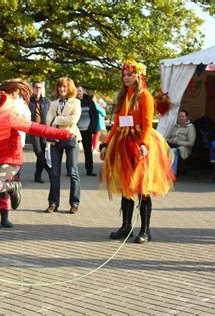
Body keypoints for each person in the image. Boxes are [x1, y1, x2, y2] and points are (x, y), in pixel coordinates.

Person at [0, 82, 72, 228]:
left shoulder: (9, 116)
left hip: (10, 161)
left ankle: (13, 187)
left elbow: (37, 128)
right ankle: (5, 197)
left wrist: (63, 134)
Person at [100, 60, 174, 244]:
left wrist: (143, 144)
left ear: (138, 76)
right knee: (126, 186)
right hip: (122, 142)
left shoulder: (145, 96)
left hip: (140, 143)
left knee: (142, 188)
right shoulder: (123, 95)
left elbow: (148, 123)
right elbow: (117, 123)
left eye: (129, 74)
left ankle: (145, 230)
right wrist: (106, 143)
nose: (126, 78)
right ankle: (126, 227)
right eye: (124, 75)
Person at [45, 77, 82, 214]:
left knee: (72, 171)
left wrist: (57, 119)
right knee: (54, 173)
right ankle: (53, 203)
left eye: (65, 87)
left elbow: (73, 120)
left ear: (70, 88)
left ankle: (74, 203)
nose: (62, 89)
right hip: (55, 139)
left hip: (71, 138)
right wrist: (56, 120)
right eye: (60, 87)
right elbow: (48, 120)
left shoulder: (76, 102)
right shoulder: (53, 103)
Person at [0, 79, 31, 181]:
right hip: (2, 140)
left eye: (16, 91)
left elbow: (27, 121)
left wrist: (17, 119)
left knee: (15, 167)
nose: (15, 93)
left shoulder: (22, 104)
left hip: (17, 140)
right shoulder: (1, 101)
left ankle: (14, 186)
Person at [28, 80, 51, 183]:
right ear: (33, 88)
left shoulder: (46, 101)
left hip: (44, 130)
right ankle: (50, 170)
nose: (38, 89)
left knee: (41, 152)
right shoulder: (28, 101)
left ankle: (38, 176)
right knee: (38, 152)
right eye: (36, 87)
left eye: (40, 87)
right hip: (33, 129)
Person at [166, 109, 196, 176]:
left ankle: (172, 174)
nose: (181, 118)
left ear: (186, 117)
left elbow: (191, 143)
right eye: (179, 116)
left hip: (184, 148)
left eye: (183, 116)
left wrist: (177, 141)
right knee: (161, 150)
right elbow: (169, 136)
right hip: (172, 145)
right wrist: (168, 140)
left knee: (173, 151)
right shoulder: (175, 126)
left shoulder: (190, 127)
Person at [77, 88, 98, 176]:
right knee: (72, 151)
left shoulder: (89, 101)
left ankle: (89, 170)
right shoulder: (73, 101)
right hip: (76, 131)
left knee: (88, 151)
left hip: (87, 130)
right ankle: (70, 170)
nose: (78, 92)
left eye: (80, 90)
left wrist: (93, 127)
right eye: (77, 90)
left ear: (83, 92)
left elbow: (95, 114)